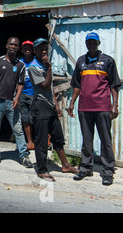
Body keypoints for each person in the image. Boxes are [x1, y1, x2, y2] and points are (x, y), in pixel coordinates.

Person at [68, 32, 121, 186]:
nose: (91, 45)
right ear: (86, 44)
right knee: (86, 140)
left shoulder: (108, 61)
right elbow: (77, 85)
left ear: (98, 44)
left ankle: (108, 170)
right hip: (84, 107)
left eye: (94, 42)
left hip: (103, 107)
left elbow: (114, 85)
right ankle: (85, 168)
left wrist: (115, 105)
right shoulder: (81, 61)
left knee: (105, 140)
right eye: (89, 42)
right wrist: (72, 103)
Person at [28, 38, 78, 182]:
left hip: (49, 105)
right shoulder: (34, 67)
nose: (44, 50)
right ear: (35, 51)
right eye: (40, 48)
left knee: (58, 136)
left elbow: (50, 89)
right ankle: (42, 170)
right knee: (42, 140)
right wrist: (49, 68)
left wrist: (56, 105)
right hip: (39, 106)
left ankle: (65, 165)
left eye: (45, 48)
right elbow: (44, 85)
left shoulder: (44, 65)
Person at [0, 37, 32, 168]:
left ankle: (24, 156)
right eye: (11, 44)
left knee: (18, 130)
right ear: (6, 46)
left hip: (12, 102)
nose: (13, 46)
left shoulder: (21, 65)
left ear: (18, 48)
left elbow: (21, 84)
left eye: (15, 45)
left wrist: (17, 98)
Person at [19, 40, 36, 150]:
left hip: (35, 93)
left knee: (36, 118)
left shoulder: (37, 62)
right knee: (25, 119)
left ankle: (41, 139)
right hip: (22, 94)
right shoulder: (19, 62)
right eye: (25, 48)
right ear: (22, 50)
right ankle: (30, 142)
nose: (27, 50)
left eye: (29, 48)